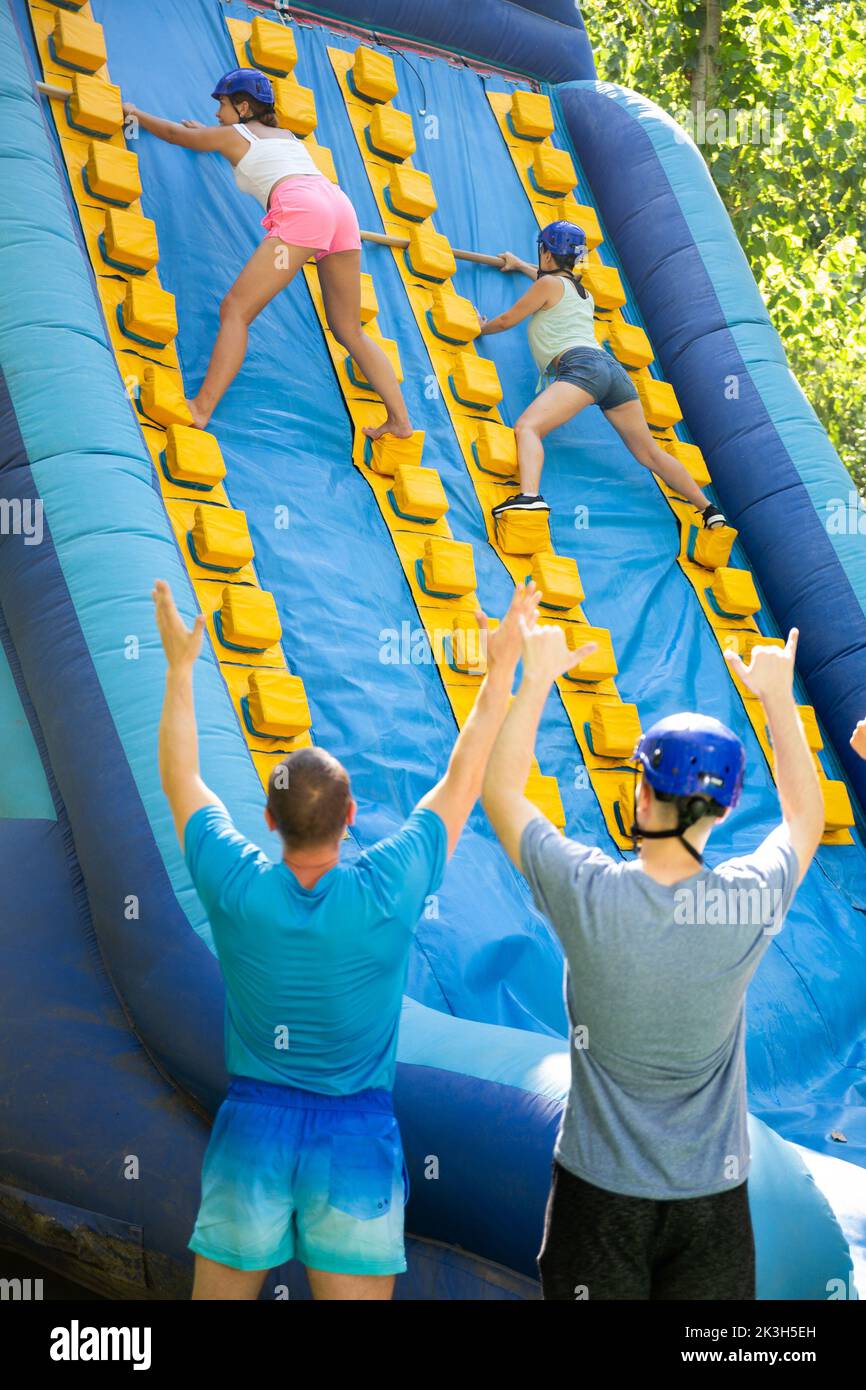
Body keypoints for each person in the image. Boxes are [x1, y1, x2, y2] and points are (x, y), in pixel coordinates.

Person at [152, 575, 539, 1300]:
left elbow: (181, 779)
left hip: (253, 1130)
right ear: (352, 813)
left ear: (268, 821)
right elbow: (463, 778)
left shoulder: (237, 888)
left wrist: (179, 667)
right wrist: (501, 667)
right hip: (354, 1140)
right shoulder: (385, 890)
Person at [482, 619, 824, 1300]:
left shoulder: (588, 894)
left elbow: (500, 792)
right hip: (713, 1198)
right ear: (724, 812)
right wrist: (777, 698)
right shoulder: (746, 905)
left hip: (598, 1195)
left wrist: (539, 675)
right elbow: (805, 818)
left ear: (641, 794)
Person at [123, 68, 410, 439]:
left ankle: (201, 408)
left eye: (222, 105)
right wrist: (209, 135)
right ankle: (400, 421)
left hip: (303, 211)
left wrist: (135, 112)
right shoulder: (285, 136)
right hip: (338, 207)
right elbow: (224, 141)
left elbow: (177, 136)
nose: (216, 114)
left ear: (243, 107)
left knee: (236, 310)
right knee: (348, 328)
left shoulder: (233, 135)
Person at [478, 221, 726, 529]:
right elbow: (551, 282)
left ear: (547, 254)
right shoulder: (583, 294)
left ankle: (530, 496)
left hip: (581, 366)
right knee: (649, 451)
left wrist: (479, 327)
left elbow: (506, 320)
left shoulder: (547, 285)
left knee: (528, 426)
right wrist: (521, 265)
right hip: (613, 373)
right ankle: (708, 509)